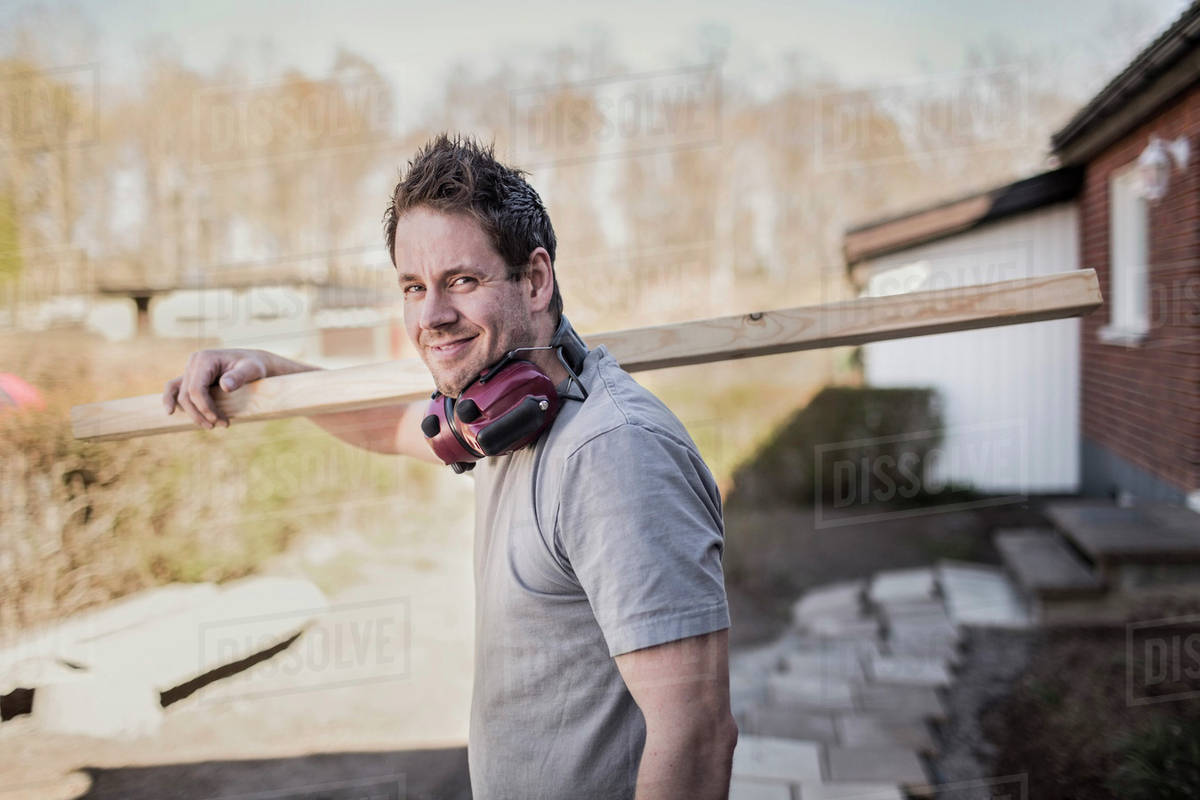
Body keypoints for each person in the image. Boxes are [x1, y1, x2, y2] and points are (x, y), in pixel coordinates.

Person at [163, 133, 737, 800]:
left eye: (461, 281)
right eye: (413, 287)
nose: (432, 316)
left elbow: (695, 737)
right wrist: (263, 368)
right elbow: (385, 423)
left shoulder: (611, 453)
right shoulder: (500, 421)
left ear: (535, 279)